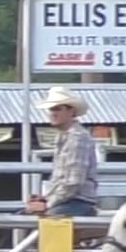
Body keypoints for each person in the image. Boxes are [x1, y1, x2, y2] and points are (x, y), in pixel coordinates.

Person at [26, 87, 100, 217]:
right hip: (68, 201)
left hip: (77, 202)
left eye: (58, 109)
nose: (53, 113)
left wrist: (47, 204)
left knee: (42, 225)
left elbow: (74, 182)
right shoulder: (65, 136)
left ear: (72, 111)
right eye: (51, 109)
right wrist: (45, 198)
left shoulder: (77, 138)